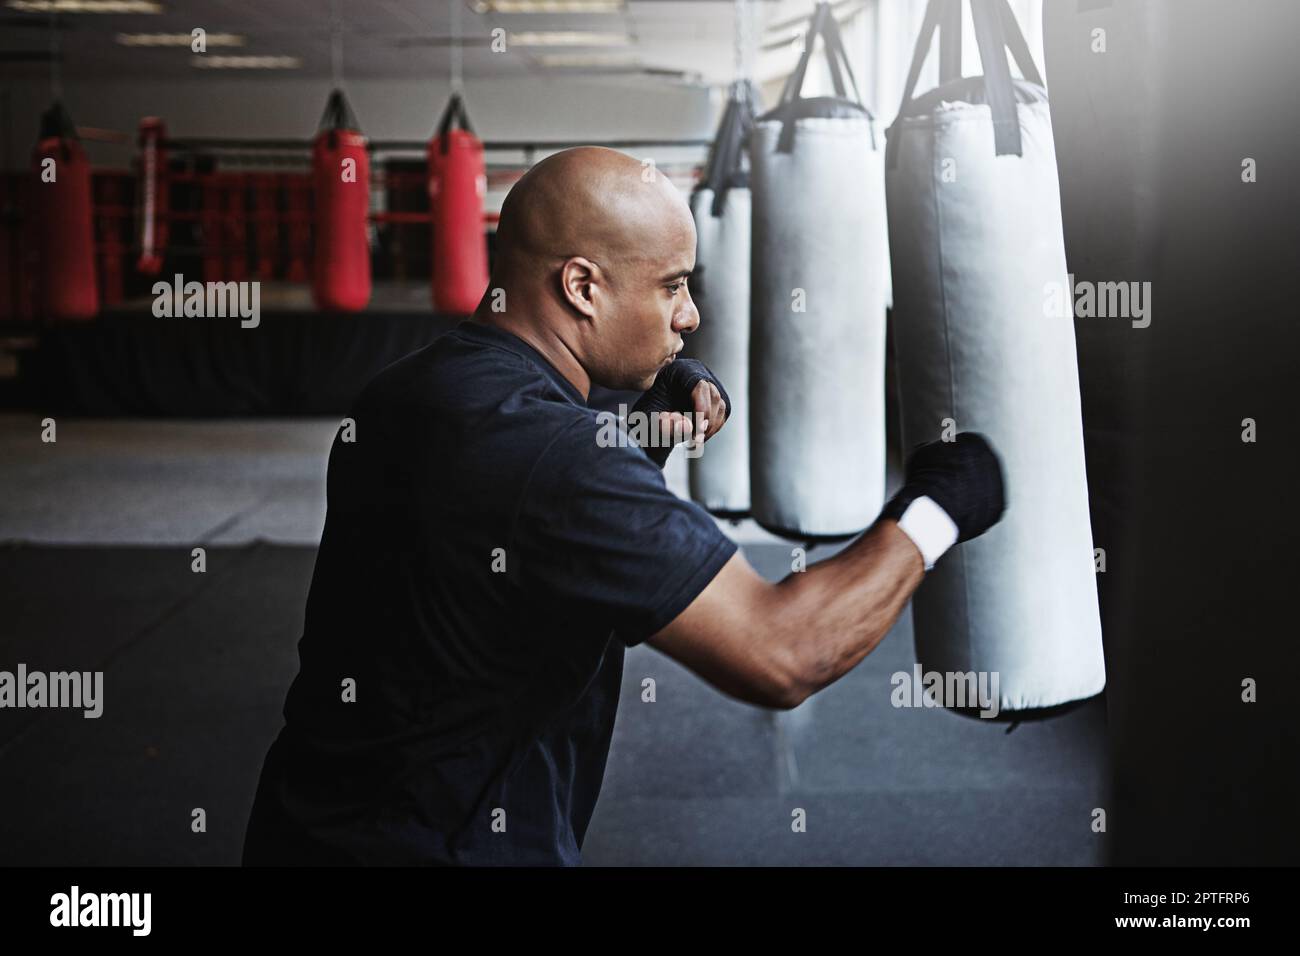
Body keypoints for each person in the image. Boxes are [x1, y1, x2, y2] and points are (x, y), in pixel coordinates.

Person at [241, 146, 1004, 866]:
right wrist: (940, 502)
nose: (691, 316)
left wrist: (632, 434)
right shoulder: (562, 458)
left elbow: (504, 547)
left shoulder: (405, 390)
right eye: (672, 285)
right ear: (582, 287)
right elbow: (784, 653)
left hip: (305, 828)